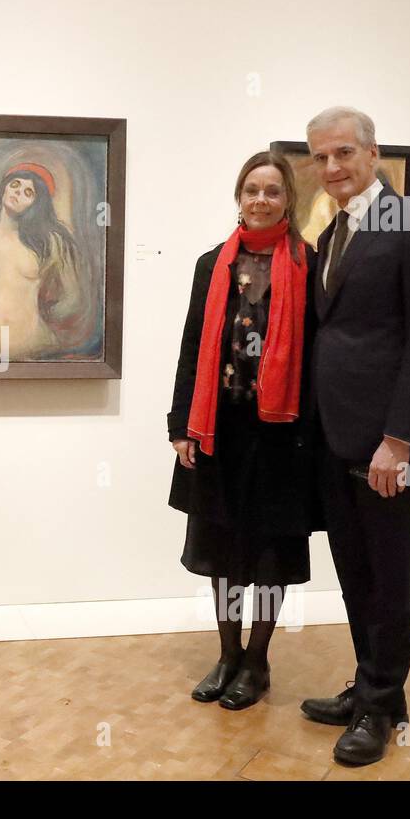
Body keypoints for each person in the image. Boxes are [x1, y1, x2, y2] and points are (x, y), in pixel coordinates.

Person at [300, 106, 410, 766]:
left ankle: (381, 707)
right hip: (338, 436)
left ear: (373, 156)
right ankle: (372, 687)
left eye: (344, 153)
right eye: (320, 157)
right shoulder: (331, 233)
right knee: (356, 574)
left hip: (388, 443)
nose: (332, 167)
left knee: (391, 578)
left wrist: (396, 440)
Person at [167, 151, 318, 712]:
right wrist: (182, 425)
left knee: (270, 554)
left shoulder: (308, 263)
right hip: (219, 429)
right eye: (251, 189)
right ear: (239, 196)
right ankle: (227, 654)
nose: (260, 200)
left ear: (287, 200)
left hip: (281, 434)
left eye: (272, 191)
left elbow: (318, 354)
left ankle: (258, 661)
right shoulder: (214, 264)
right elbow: (191, 345)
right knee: (222, 548)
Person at [0, 164, 87, 358]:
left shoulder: (49, 241)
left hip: (35, 347)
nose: (18, 193)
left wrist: (49, 312)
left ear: (37, 204)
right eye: (15, 184)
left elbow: (72, 298)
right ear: (4, 187)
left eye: (28, 192)